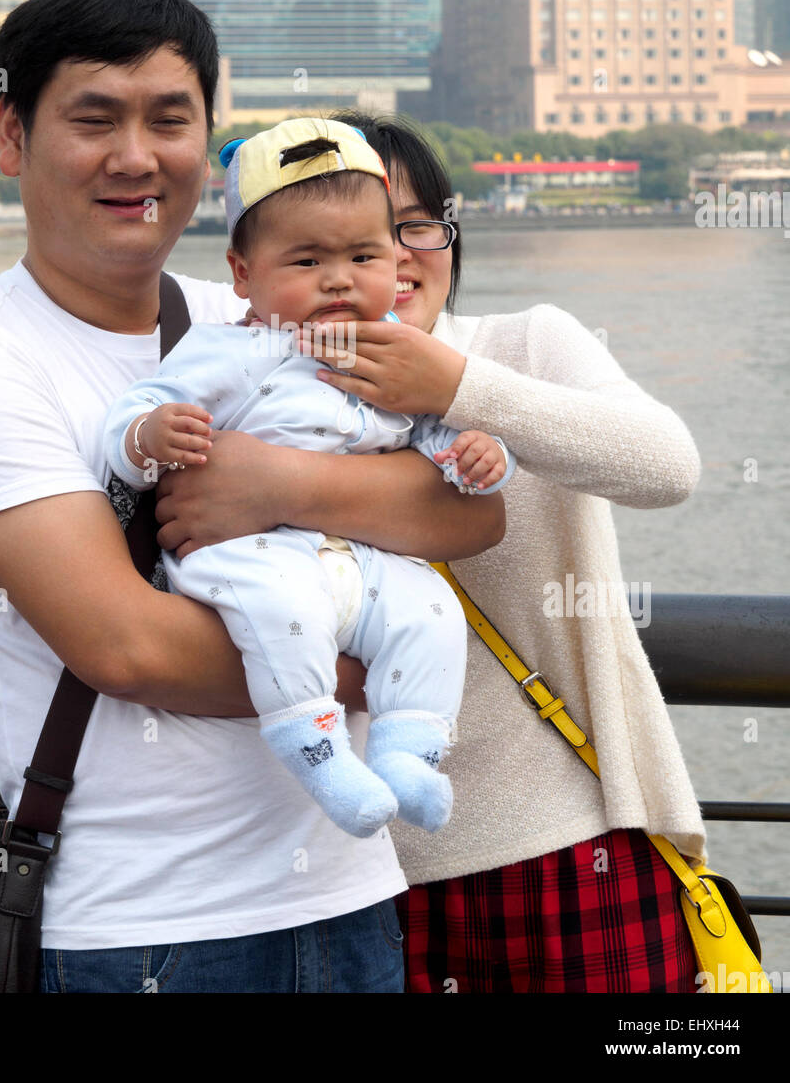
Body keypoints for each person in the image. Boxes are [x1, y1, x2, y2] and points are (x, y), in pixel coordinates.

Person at [0, 0, 505, 995]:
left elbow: (468, 509)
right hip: (148, 935)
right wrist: (377, 669)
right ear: (11, 135)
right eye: (94, 118)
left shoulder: (269, 302)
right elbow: (129, 644)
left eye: (170, 118)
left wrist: (268, 479)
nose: (136, 156)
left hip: (350, 897)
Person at [285, 109, 703, 993]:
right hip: (365, 874)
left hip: (572, 842)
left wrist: (459, 386)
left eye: (416, 226)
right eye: (358, 235)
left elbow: (666, 466)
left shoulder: (523, 346)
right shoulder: (265, 400)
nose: (395, 257)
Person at [101, 118, 515, 840]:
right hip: (254, 556)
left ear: (393, 259)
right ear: (243, 274)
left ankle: (410, 750)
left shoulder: (394, 357)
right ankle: (316, 747)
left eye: (362, 255)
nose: (338, 278)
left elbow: (435, 438)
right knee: (280, 611)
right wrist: (148, 435)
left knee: (432, 611)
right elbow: (133, 415)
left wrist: (479, 456)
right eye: (305, 262)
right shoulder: (232, 351)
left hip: (363, 564)